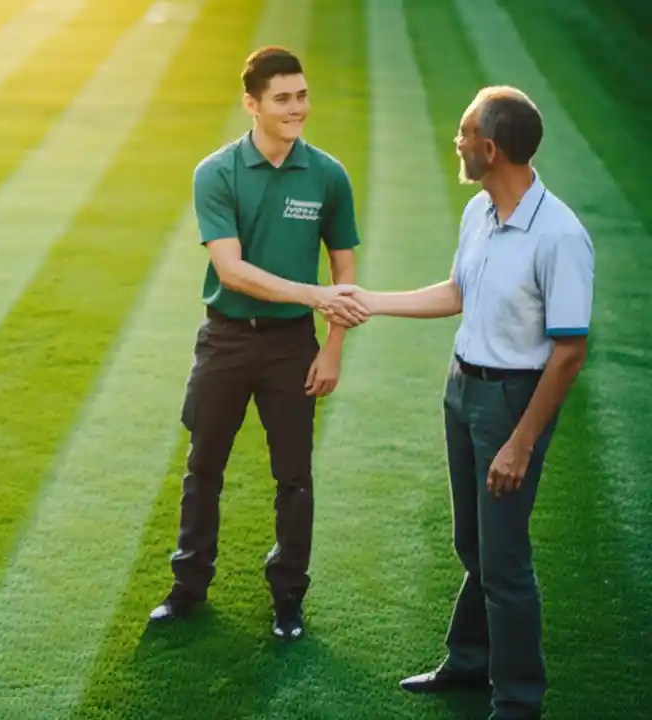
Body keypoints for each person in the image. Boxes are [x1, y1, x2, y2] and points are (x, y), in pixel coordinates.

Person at [328, 86, 592, 720]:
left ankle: (519, 701)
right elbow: (456, 292)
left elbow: (568, 353)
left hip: (510, 402)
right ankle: (472, 662)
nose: (457, 140)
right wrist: (371, 300)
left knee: (504, 561)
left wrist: (521, 442)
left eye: (465, 131)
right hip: (462, 388)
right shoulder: (480, 212)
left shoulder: (560, 236)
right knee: (472, 545)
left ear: (491, 148)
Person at [148, 46, 367, 643]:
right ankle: (188, 590)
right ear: (252, 104)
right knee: (203, 470)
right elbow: (234, 270)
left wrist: (333, 347)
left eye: (302, 96)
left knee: (295, 477)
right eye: (283, 99)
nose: (297, 109)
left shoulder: (328, 175)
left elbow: (344, 274)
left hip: (292, 346)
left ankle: (288, 599)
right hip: (225, 341)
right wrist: (311, 293)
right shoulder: (215, 173)